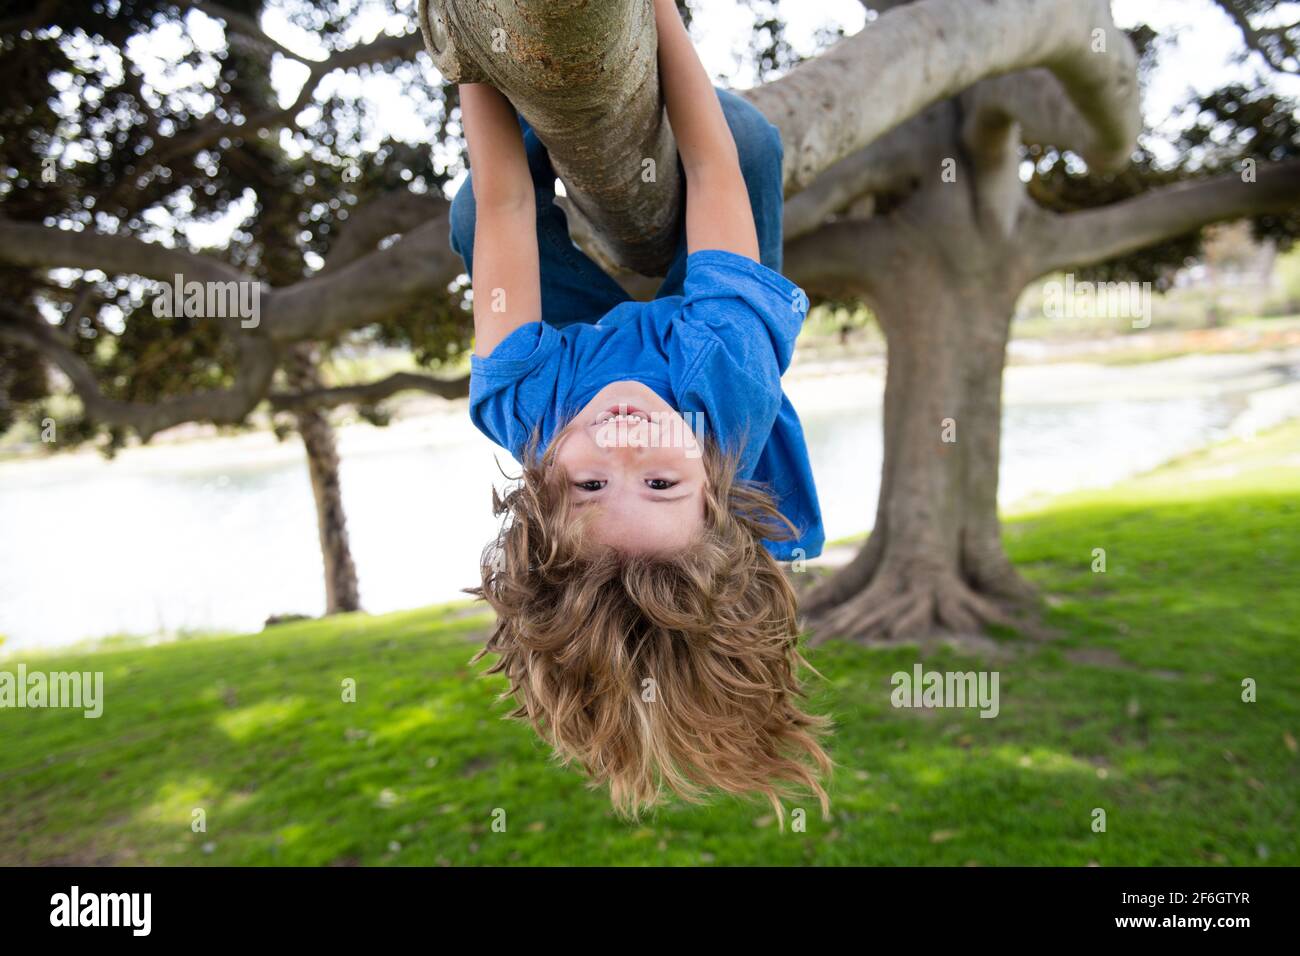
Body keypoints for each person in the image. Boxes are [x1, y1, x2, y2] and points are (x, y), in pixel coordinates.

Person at [452, 0, 830, 821]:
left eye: (590, 489)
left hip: (579, 344)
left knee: (467, 209)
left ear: (541, 484)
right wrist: (658, 10)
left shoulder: (525, 402)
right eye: (659, 483)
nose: (624, 445)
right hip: (696, 350)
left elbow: (507, 204)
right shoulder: (729, 374)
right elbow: (714, 164)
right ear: (713, 488)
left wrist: (470, 50)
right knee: (749, 138)